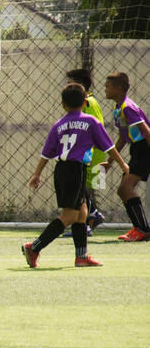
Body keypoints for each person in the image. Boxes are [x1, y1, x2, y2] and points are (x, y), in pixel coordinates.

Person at [22, 83, 128, 268]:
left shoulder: (59, 124)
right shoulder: (91, 122)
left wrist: (36, 174)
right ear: (85, 101)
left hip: (61, 170)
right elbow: (109, 147)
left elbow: (46, 153)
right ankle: (34, 247)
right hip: (76, 170)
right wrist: (123, 165)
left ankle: (81, 257)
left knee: (82, 213)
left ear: (63, 104)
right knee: (70, 216)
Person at [103, 72, 150, 242]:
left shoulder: (128, 107)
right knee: (122, 190)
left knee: (126, 188)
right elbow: (123, 137)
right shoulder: (119, 108)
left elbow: (145, 130)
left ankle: (144, 230)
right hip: (136, 150)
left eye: (108, 86)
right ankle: (138, 228)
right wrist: (109, 162)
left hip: (144, 150)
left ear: (119, 89)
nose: (105, 89)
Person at [62, 68, 106, 236]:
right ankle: (92, 215)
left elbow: (94, 127)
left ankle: (89, 219)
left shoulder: (87, 102)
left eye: (69, 84)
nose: (66, 87)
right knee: (83, 187)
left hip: (91, 152)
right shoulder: (89, 102)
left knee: (81, 186)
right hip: (92, 151)